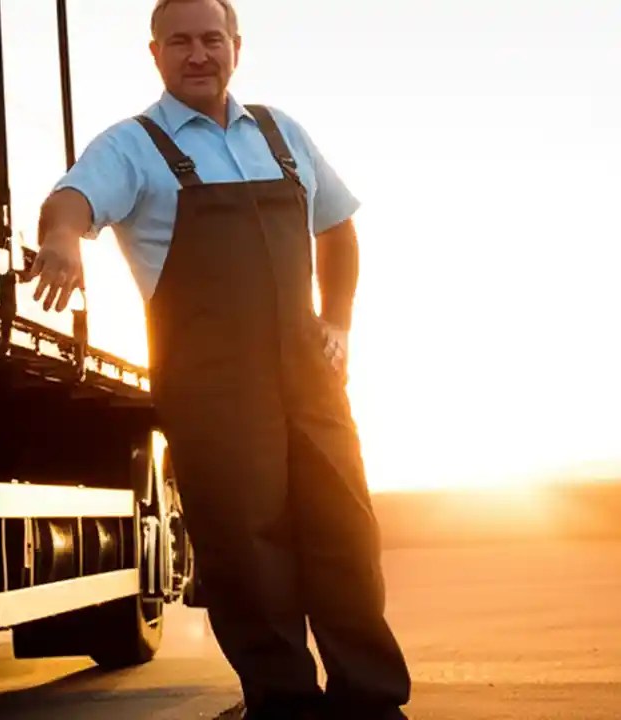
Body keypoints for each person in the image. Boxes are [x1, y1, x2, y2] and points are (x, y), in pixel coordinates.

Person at [23, 0, 412, 718]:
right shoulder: (132, 146)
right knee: (248, 556)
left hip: (310, 379)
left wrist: (339, 323)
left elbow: (338, 225)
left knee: (347, 539)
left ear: (236, 45)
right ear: (155, 53)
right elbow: (71, 199)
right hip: (213, 392)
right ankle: (284, 702)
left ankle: (372, 702)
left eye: (211, 39)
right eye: (180, 42)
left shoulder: (279, 132)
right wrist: (64, 240)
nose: (197, 54)